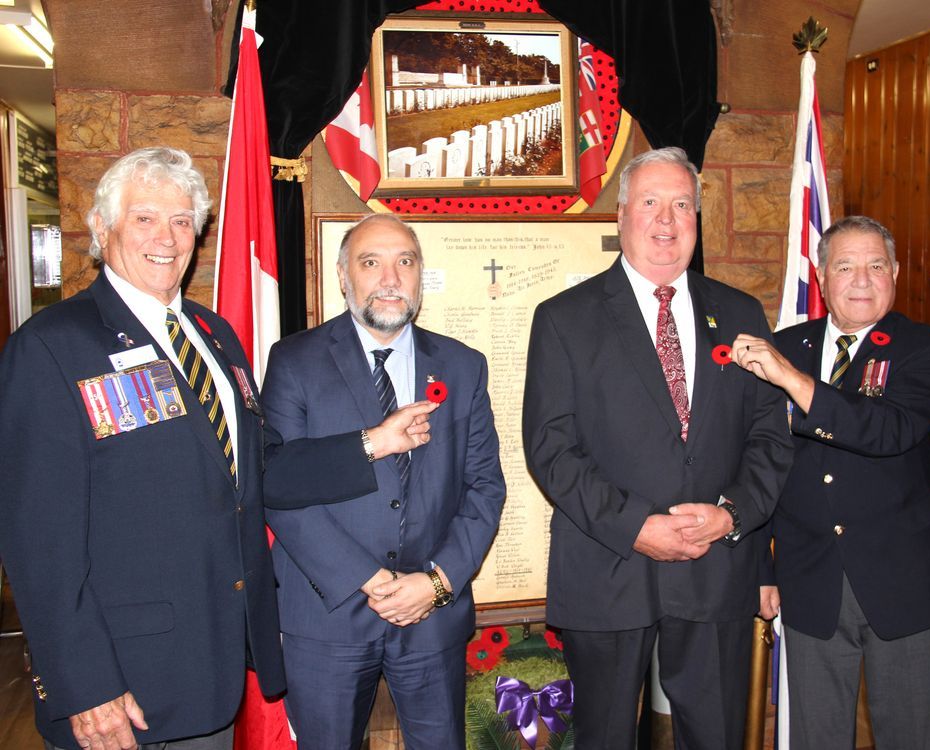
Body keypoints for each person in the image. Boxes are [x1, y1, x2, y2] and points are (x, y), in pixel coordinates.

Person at [0, 147, 432, 750]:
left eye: (183, 221)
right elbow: (38, 540)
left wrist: (371, 443)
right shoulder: (52, 347)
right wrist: (84, 685)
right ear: (103, 228)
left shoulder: (211, 335)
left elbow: (258, 470)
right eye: (145, 218)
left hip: (211, 663)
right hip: (121, 684)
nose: (167, 238)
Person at [522, 147, 793, 749]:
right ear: (620, 216)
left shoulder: (740, 312)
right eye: (651, 203)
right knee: (606, 738)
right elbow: (550, 448)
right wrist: (634, 525)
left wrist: (732, 515)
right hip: (609, 565)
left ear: (698, 220)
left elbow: (770, 437)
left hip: (716, 564)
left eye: (682, 206)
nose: (667, 220)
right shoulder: (565, 318)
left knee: (717, 736)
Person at [261, 213, 506, 750]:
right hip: (328, 615)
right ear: (344, 277)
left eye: (405, 262)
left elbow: (485, 487)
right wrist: (366, 578)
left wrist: (437, 583)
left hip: (430, 616)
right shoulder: (294, 361)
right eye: (371, 262)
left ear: (420, 275)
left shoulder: (463, 367)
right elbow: (277, 486)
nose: (390, 278)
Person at [733, 215, 930, 749]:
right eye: (845, 266)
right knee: (815, 736)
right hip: (809, 579)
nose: (861, 280)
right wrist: (761, 567)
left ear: (896, 274)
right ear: (821, 277)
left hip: (903, 583)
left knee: (910, 735)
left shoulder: (927, 348)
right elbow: (760, 464)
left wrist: (793, 381)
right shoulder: (787, 344)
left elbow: (888, 430)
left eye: (875, 266)